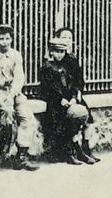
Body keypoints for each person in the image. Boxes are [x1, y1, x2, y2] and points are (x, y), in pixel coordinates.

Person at [0, 25, 38, 171]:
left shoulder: (15, 55)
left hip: (13, 92)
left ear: (11, 39)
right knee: (8, 115)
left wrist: (12, 95)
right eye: (1, 39)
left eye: (7, 38)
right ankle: (5, 155)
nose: (5, 42)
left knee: (27, 118)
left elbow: (19, 78)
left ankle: (22, 156)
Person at [38, 29, 98, 164]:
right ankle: (70, 152)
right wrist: (60, 99)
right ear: (51, 51)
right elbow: (47, 88)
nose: (59, 54)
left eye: (62, 51)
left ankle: (83, 150)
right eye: (57, 51)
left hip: (69, 99)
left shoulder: (69, 62)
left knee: (83, 117)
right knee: (64, 121)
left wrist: (74, 97)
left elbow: (75, 82)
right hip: (55, 101)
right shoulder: (47, 67)